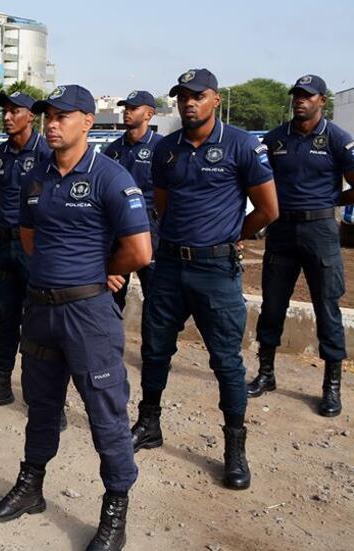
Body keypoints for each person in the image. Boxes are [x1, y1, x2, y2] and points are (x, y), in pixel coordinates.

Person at [0, 85, 151, 551]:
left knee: (105, 412)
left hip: (88, 313)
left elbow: (139, 250)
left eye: (63, 115)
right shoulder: (35, 177)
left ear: (88, 122)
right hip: (41, 309)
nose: (52, 123)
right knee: (41, 405)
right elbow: (30, 238)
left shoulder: (110, 177)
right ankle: (31, 485)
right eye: (48, 116)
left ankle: (115, 507)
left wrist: (98, 275)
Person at [131, 69, 279, 491]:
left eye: (198, 96)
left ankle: (234, 449)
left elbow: (268, 209)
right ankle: (149, 423)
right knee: (155, 351)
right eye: (182, 96)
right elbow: (163, 204)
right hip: (170, 267)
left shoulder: (241, 144)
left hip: (216, 271)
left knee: (226, 361)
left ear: (215, 99)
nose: (188, 103)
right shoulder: (167, 150)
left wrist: (233, 235)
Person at [249, 74, 354, 416]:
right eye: (296, 95)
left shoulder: (337, 139)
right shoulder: (276, 138)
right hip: (281, 230)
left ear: (322, 101)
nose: (300, 100)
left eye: (308, 96)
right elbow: (256, 179)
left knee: (327, 308)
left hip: (321, 231)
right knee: (273, 304)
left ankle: (331, 387)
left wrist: (333, 199)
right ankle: (266, 374)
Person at [0, 91, 52, 412]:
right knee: (6, 320)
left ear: (31, 115)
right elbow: (0, 201)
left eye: (15, 111)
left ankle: (43, 398)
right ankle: (1, 384)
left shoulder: (46, 152)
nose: (7, 116)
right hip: (4, 245)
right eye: (4, 111)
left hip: (36, 248)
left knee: (40, 325)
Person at [103, 90, 164, 312]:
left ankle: (153, 347)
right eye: (125, 108)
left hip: (150, 227)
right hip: (117, 227)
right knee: (112, 293)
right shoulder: (113, 150)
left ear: (149, 114)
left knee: (155, 297)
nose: (127, 113)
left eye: (133, 108)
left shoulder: (161, 147)